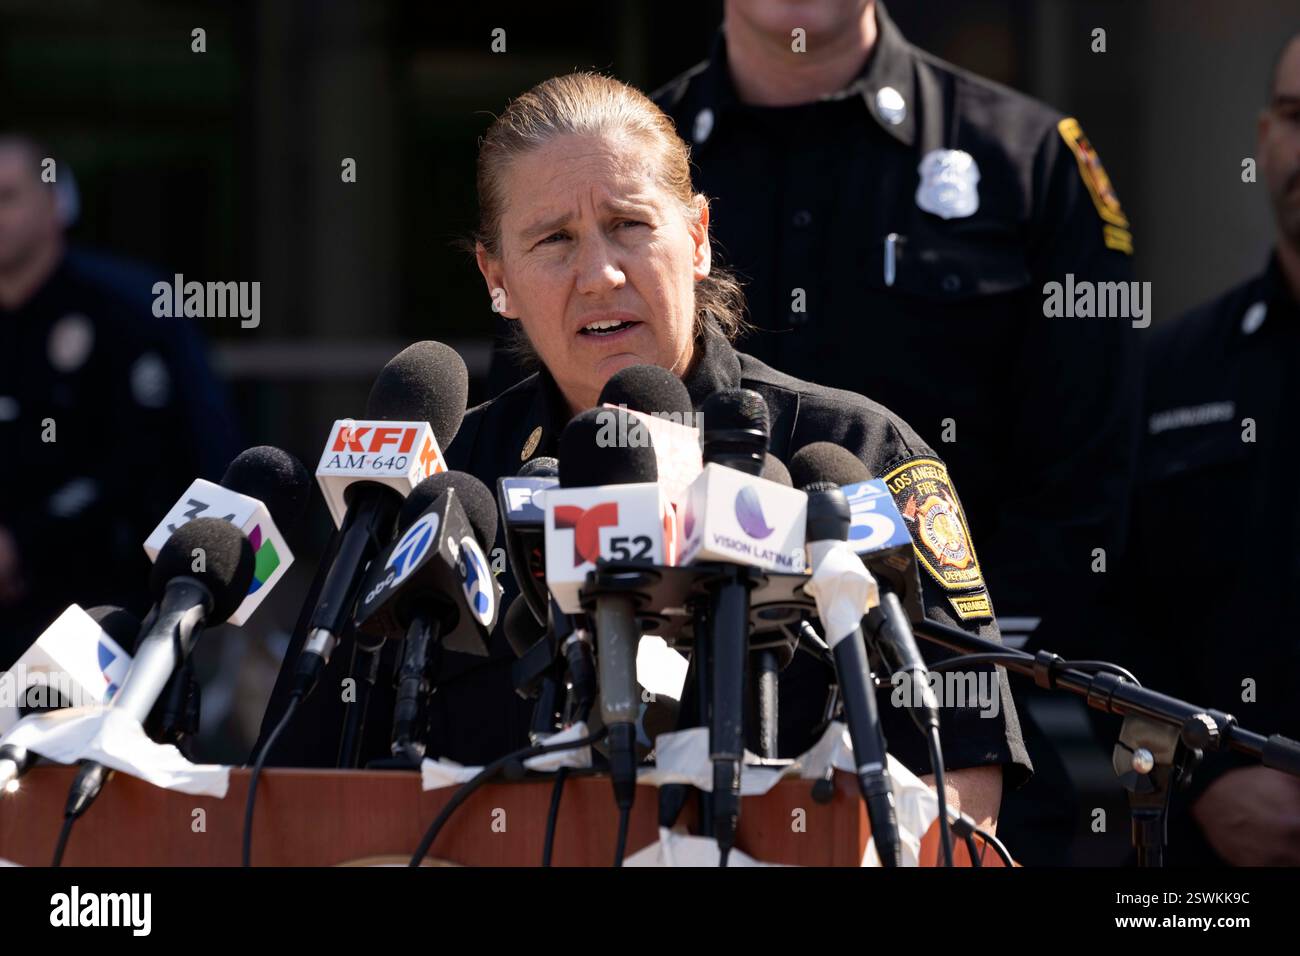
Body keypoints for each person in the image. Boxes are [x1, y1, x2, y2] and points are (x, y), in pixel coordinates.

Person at [259, 73, 1030, 832]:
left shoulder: (851, 453)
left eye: (630, 224)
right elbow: (301, 787)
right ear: (498, 279)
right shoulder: (439, 488)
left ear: (696, 238)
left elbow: (957, 788)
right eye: (554, 240)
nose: (601, 274)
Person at [1112, 33, 1300, 865]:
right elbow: (1106, 603)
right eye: (1297, 117)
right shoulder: (1173, 370)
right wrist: (1202, 778)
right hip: (1218, 857)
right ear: (1264, 137)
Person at [0, 133, 239, 666]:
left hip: (110, 612)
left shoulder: (129, 310)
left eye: (8, 196)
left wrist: (25, 542)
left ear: (56, 203)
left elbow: (161, 463)